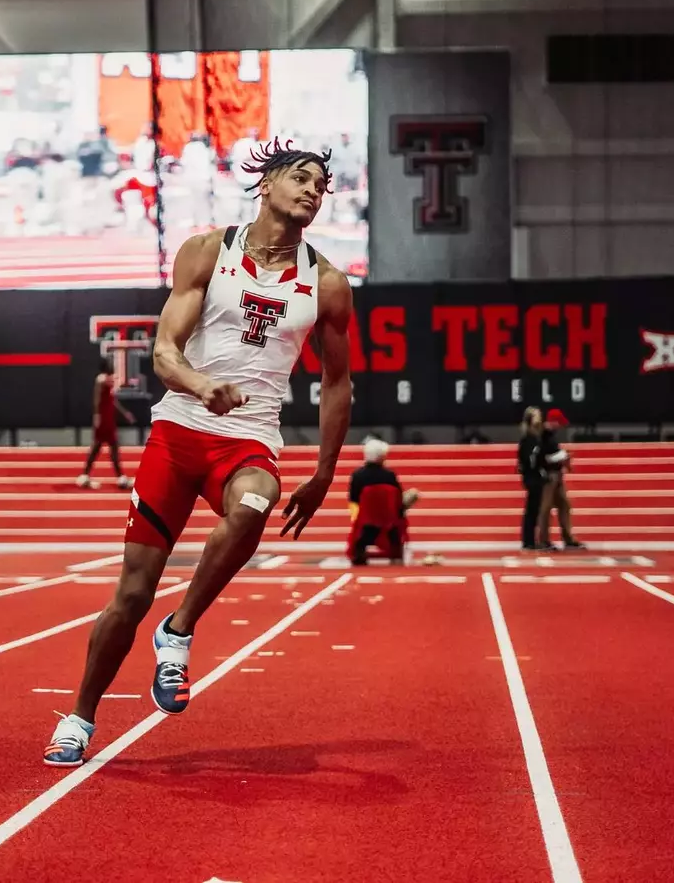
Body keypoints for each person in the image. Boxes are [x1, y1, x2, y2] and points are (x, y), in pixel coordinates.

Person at [42, 138, 352, 768]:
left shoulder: (327, 283)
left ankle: (178, 629)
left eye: (322, 185)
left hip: (250, 439)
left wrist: (324, 471)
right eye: (301, 178)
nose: (312, 191)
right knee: (129, 596)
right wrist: (203, 384)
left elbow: (338, 382)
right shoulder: (209, 251)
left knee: (255, 505)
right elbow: (162, 351)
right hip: (178, 436)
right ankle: (79, 715)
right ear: (264, 185)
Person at [346, 436, 418, 566]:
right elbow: (397, 498)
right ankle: (396, 551)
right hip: (389, 521)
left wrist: (356, 519)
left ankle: (359, 552)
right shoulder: (389, 476)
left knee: (362, 527)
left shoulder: (357, 476)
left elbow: (353, 500)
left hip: (366, 521)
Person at [77, 358, 133, 490]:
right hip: (103, 419)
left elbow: (113, 402)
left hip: (108, 418)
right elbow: (97, 399)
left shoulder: (107, 381)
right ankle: (119, 477)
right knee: (104, 446)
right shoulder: (101, 379)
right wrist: (97, 416)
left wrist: (125, 414)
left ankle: (86, 474)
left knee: (102, 447)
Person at [537, 409, 583, 550]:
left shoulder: (551, 436)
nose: (561, 426)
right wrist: (562, 456)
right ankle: (543, 540)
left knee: (564, 505)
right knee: (546, 508)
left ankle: (568, 538)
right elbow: (543, 457)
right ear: (553, 421)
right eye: (559, 423)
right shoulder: (542, 435)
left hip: (557, 475)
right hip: (548, 476)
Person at [517, 407, 544, 550]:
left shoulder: (536, 437)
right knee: (532, 510)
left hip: (535, 476)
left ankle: (530, 540)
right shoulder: (528, 439)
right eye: (537, 416)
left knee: (534, 509)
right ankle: (529, 541)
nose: (540, 418)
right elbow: (527, 460)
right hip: (532, 477)